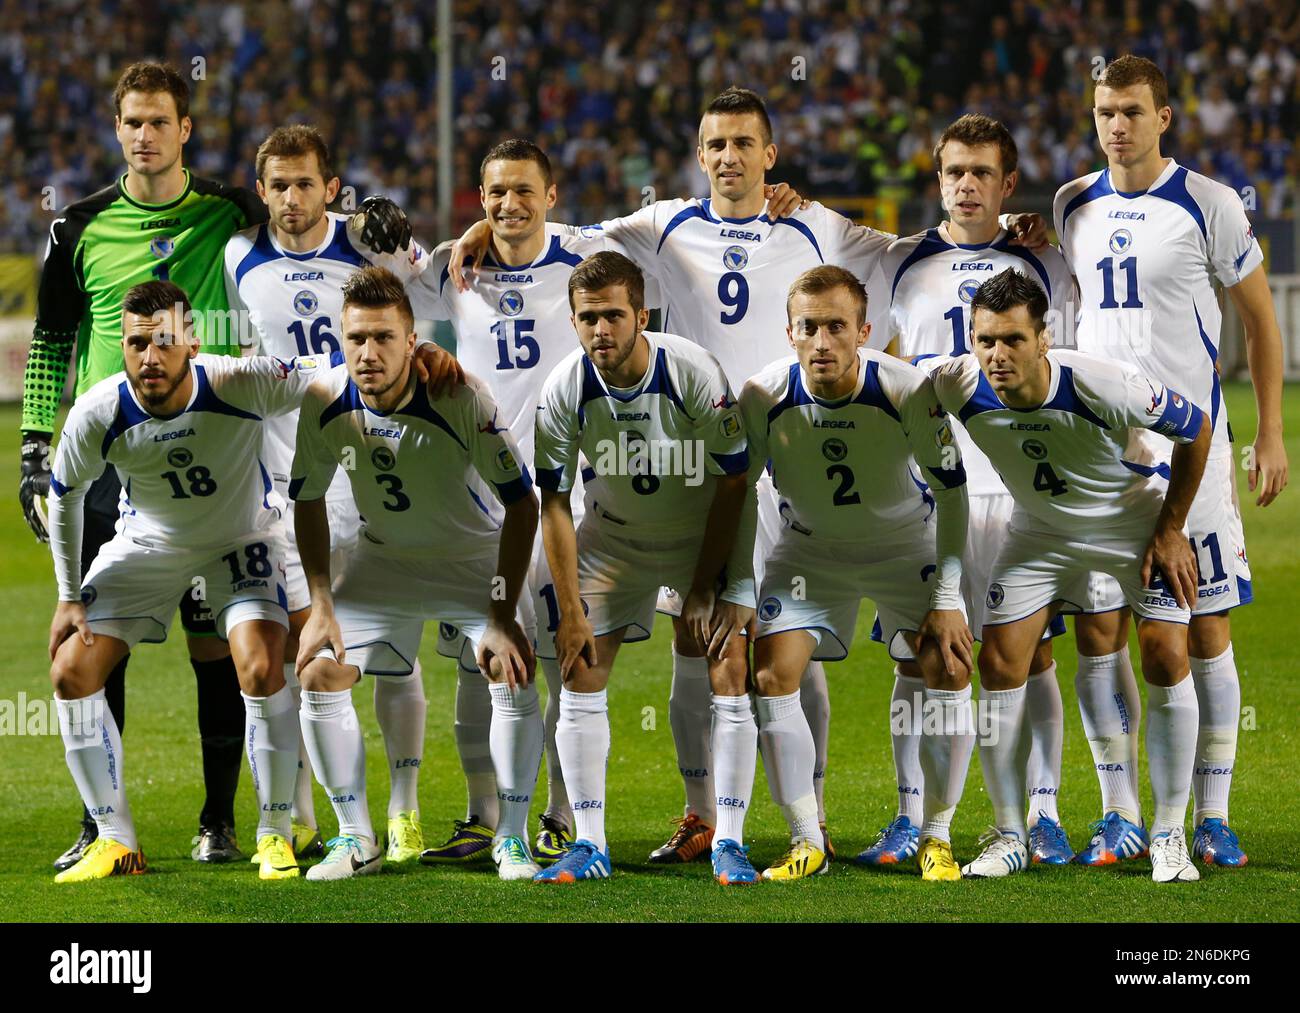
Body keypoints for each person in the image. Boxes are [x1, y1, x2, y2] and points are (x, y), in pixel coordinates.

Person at [451, 87, 1047, 867]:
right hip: (694, 476)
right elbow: (554, 235)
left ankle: (815, 818)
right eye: (715, 144)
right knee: (693, 652)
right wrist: (480, 223)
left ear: (771, 155)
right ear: (699, 156)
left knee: (788, 650)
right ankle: (703, 815)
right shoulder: (660, 225)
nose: (728, 156)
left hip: (781, 467)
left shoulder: (819, 224)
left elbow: (918, 250)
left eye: (744, 143)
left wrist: (1008, 226)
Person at [19, 61, 412, 869]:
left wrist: (378, 224)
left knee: (232, 654)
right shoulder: (79, 226)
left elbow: (301, 216)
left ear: (184, 129)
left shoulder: (229, 212)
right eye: (131, 122)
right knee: (92, 649)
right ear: (116, 129)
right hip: (114, 460)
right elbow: (52, 339)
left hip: (224, 450)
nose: (144, 136)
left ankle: (233, 820)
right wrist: (34, 444)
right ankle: (107, 829)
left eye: (159, 121)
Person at [1054, 56, 1287, 867]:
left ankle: (1210, 815)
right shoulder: (1071, 202)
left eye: (1131, 111)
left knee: (1193, 633)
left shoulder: (1209, 203)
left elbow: (1259, 322)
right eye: (1104, 112)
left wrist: (1270, 433)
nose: (1116, 126)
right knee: (1098, 629)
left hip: (1192, 449)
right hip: (1102, 457)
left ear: (1165, 117)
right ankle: (1119, 812)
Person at [930, 268, 1211, 883]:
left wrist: (1170, 528)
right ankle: (1009, 833)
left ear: (1044, 337)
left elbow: (1196, 430)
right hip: (1038, 532)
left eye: (1013, 340)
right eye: (984, 341)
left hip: (1127, 522)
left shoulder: (1105, 385)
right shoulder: (953, 385)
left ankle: (1167, 833)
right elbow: (889, 388)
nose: (997, 356)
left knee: (1165, 654)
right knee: (1000, 662)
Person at [225, 124, 457, 865]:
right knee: (306, 652)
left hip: (374, 478)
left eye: (306, 184)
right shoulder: (240, 258)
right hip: (285, 485)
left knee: (391, 653)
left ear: (333, 188)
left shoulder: (364, 244)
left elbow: (427, 291)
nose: (292, 200)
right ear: (260, 191)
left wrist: (401, 239)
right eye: (278, 186)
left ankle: (405, 808)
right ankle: (303, 817)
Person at [46, 280, 318, 882]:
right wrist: (68, 596)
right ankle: (116, 842)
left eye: (163, 341)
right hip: (149, 545)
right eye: (137, 343)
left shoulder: (239, 381)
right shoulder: (99, 410)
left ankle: (274, 833)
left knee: (259, 667)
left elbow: (322, 375)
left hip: (240, 539)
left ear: (191, 341)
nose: (150, 357)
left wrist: (412, 359)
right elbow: (63, 496)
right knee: (71, 669)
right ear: (123, 345)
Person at [290, 266, 541, 881]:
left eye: (384, 338)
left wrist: (503, 615)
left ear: (413, 341)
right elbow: (308, 499)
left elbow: (522, 502)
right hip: (384, 563)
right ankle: (356, 840)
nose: (368, 353)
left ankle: (512, 837)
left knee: (510, 673)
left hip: (473, 564)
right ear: (339, 339)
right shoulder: (322, 400)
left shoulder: (461, 395)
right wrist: (320, 603)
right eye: (356, 339)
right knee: (320, 672)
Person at [877, 113, 1078, 866]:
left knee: (1030, 657)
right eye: (953, 171)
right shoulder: (898, 259)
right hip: (924, 494)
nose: (966, 184)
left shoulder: (1045, 266)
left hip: (1017, 490)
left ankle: (1043, 810)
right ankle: (910, 816)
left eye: (981, 172)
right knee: (914, 655)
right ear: (938, 180)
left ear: (1007, 182)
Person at [737, 266, 974, 882]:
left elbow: (953, 494)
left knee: (946, 666)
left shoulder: (906, 390)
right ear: (788, 332)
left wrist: (947, 598)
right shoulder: (761, 395)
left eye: (836, 327)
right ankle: (806, 837)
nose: (822, 342)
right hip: (809, 552)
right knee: (771, 673)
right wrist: (739, 587)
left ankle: (936, 835)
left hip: (904, 546)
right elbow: (738, 493)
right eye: (808, 327)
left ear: (864, 331)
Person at [531, 252, 754, 884]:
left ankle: (725, 836)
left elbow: (737, 481)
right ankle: (591, 842)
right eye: (587, 318)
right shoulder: (563, 389)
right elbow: (553, 502)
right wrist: (571, 609)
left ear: (641, 317)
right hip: (613, 543)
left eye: (612, 316)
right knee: (578, 668)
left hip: (696, 538)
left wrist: (713, 585)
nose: (600, 330)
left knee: (728, 667)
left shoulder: (692, 371)